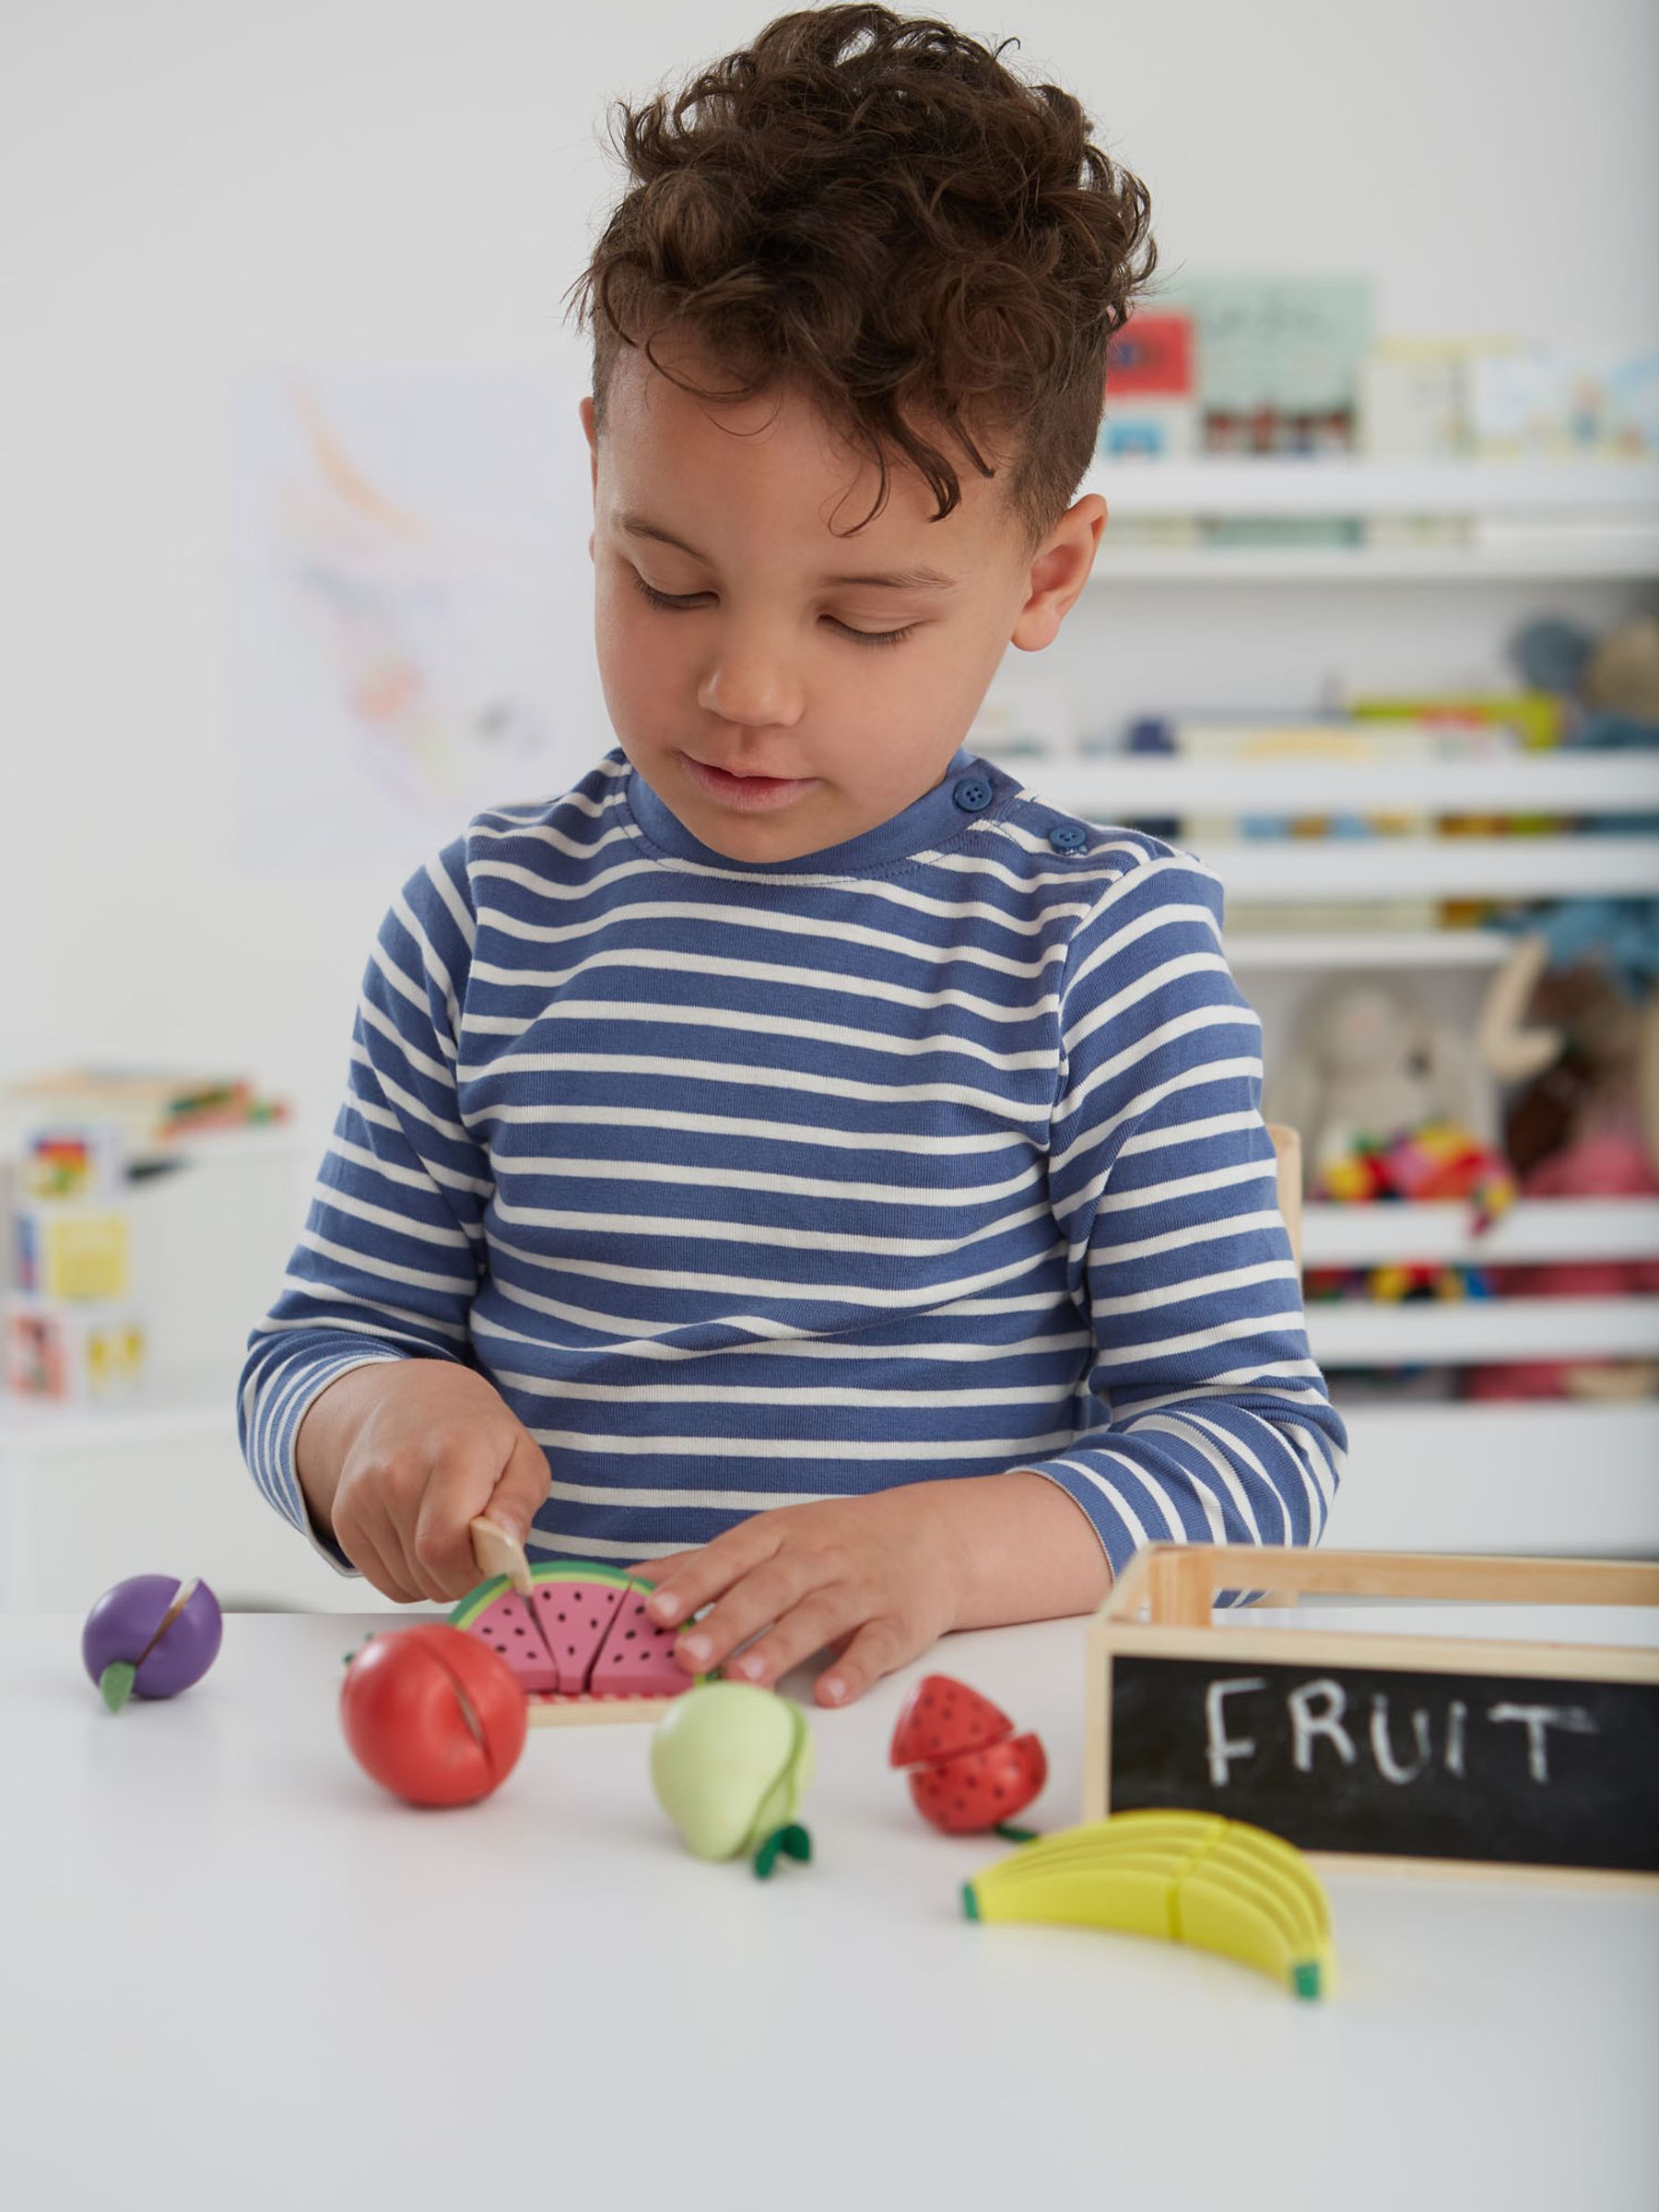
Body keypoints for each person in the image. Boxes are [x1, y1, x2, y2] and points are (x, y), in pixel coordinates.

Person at [237, 4, 1346, 1706]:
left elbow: (1260, 1456)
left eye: (868, 618)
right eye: (667, 581)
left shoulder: (1098, 948)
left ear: (1045, 580)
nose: (746, 690)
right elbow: (307, 1353)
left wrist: (948, 1548)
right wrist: (368, 1421)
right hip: (542, 1780)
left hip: (918, 1786)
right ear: (596, 471)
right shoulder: (481, 924)